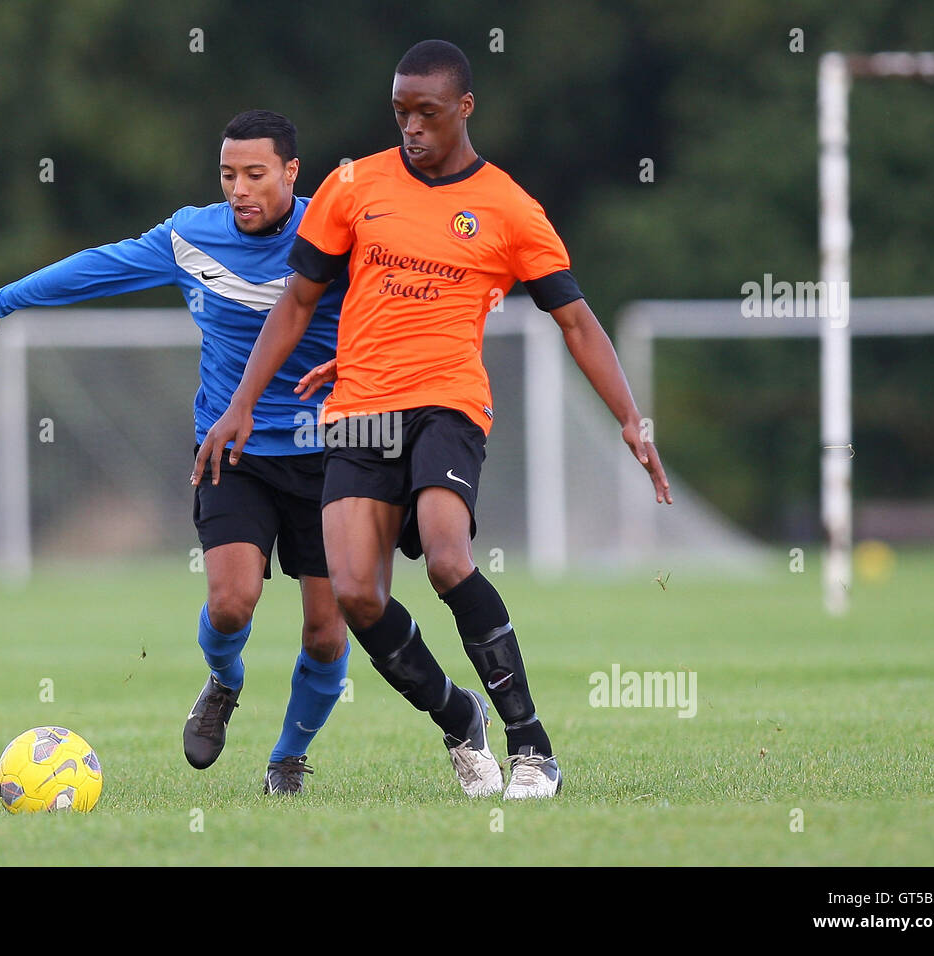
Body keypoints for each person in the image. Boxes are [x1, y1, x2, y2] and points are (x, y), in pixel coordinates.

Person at [194, 42, 673, 799]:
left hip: (447, 406)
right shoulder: (356, 185)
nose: (410, 127)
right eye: (399, 113)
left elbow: (576, 321)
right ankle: (459, 717)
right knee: (356, 595)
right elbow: (299, 300)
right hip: (358, 411)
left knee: (448, 559)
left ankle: (533, 747)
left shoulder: (511, 208)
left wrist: (630, 420)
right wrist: (242, 405)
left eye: (426, 113)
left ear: (464, 109)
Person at [0, 110, 349, 795]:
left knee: (324, 634)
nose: (240, 189)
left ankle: (287, 758)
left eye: (256, 174)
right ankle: (225, 680)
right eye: (228, 174)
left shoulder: (338, 236)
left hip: (331, 455)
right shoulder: (192, 235)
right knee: (230, 604)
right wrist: (2, 302)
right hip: (234, 447)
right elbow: (98, 268)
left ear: (292, 172)